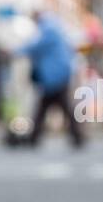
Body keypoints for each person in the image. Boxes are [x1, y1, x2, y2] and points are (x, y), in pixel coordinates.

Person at [19, 10, 83, 148]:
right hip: (58, 75)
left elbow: (35, 47)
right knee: (55, 108)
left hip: (54, 76)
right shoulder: (56, 27)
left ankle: (34, 138)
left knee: (46, 109)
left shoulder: (48, 29)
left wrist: (16, 51)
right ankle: (76, 136)